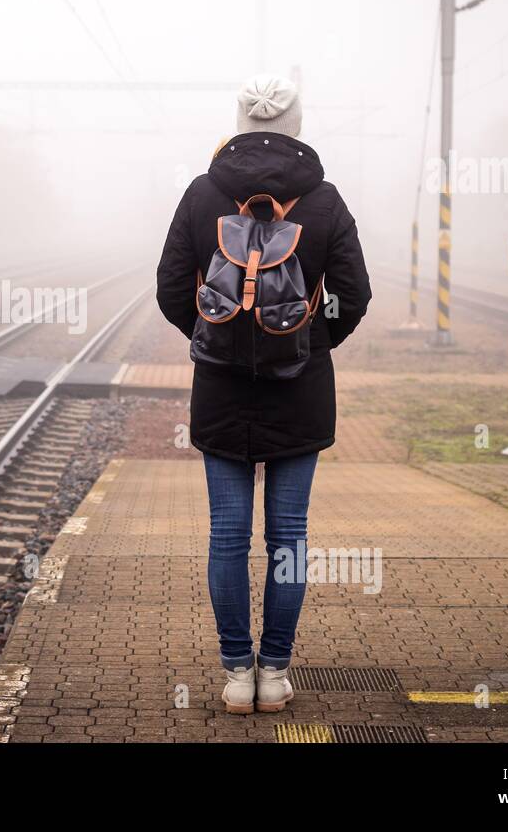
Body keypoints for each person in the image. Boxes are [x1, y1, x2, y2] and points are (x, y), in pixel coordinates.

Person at [155, 73, 371, 714]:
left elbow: (171, 290)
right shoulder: (325, 200)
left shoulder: (200, 194)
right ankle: (273, 673)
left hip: (220, 391)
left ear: (239, 124)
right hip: (300, 393)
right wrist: (308, 340)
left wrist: (214, 337)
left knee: (227, 536)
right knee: (289, 538)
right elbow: (354, 295)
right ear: (296, 126)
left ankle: (233, 673)